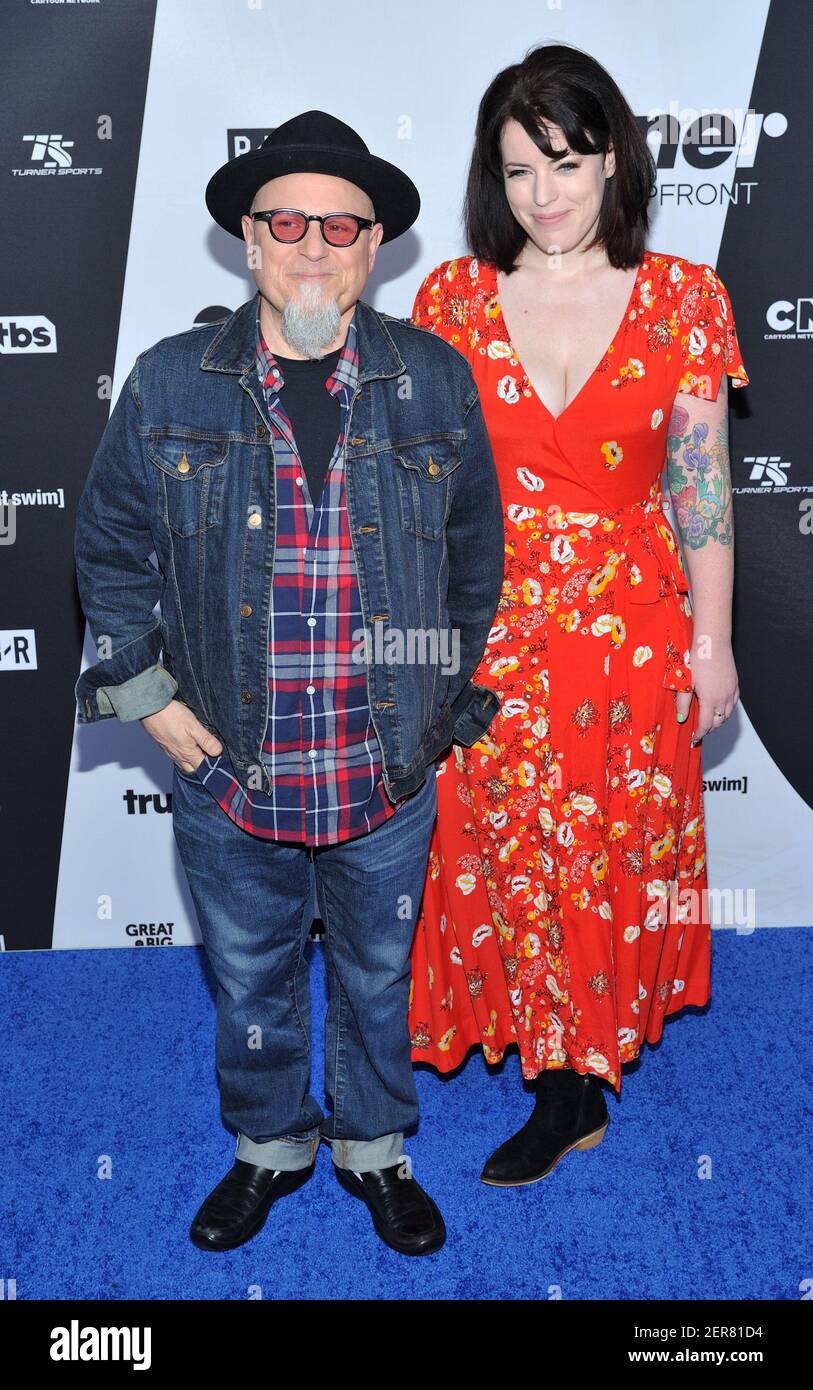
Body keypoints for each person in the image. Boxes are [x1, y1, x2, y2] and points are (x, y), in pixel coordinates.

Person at [74, 109, 504, 1253]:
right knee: (253, 977)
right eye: (288, 222)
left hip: (383, 766)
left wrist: (434, 711)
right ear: (250, 243)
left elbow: (473, 567)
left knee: (375, 974)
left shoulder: (434, 383)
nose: (315, 245)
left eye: (341, 224)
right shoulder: (170, 385)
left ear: (374, 248)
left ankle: (374, 1150)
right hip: (233, 765)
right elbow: (109, 555)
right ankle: (269, 1147)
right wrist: (152, 705)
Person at [407, 44, 749, 1185]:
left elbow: (699, 490)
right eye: (516, 172)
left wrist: (712, 643)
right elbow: (422, 487)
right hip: (492, 628)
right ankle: (545, 1056)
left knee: (600, 851)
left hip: (630, 630)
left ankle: (573, 1082)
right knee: (503, 851)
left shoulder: (683, 299)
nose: (543, 194)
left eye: (563, 161)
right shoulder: (451, 299)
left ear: (612, 159)